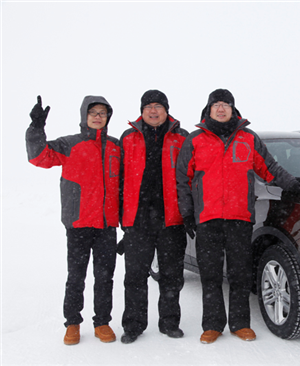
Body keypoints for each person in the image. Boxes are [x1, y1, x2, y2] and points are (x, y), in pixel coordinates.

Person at [176, 89, 300, 344]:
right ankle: (213, 325)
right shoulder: (195, 140)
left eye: (225, 104)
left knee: (240, 274)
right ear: (208, 109)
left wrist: (292, 185)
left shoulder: (248, 139)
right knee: (210, 274)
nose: (221, 109)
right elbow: (182, 180)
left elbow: (270, 167)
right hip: (208, 219)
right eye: (216, 104)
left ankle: (240, 323)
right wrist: (186, 213)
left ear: (233, 109)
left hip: (240, 218)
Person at [25, 95, 120, 345]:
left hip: (107, 225)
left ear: (108, 117)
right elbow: (38, 157)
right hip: (78, 223)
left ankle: (102, 322)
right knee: (76, 276)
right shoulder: (69, 144)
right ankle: (73, 323)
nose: (98, 116)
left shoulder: (115, 147)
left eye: (102, 112)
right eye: (93, 112)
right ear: (84, 116)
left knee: (104, 277)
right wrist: (36, 128)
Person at [119, 90, 189, 344]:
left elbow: (192, 177)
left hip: (172, 220)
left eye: (158, 106)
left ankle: (170, 322)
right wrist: (121, 217)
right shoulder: (128, 138)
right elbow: (119, 179)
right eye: (148, 106)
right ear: (142, 111)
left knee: (172, 276)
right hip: (137, 221)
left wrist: (190, 212)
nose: (153, 110)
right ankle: (134, 325)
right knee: (135, 276)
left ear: (166, 109)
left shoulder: (182, 138)